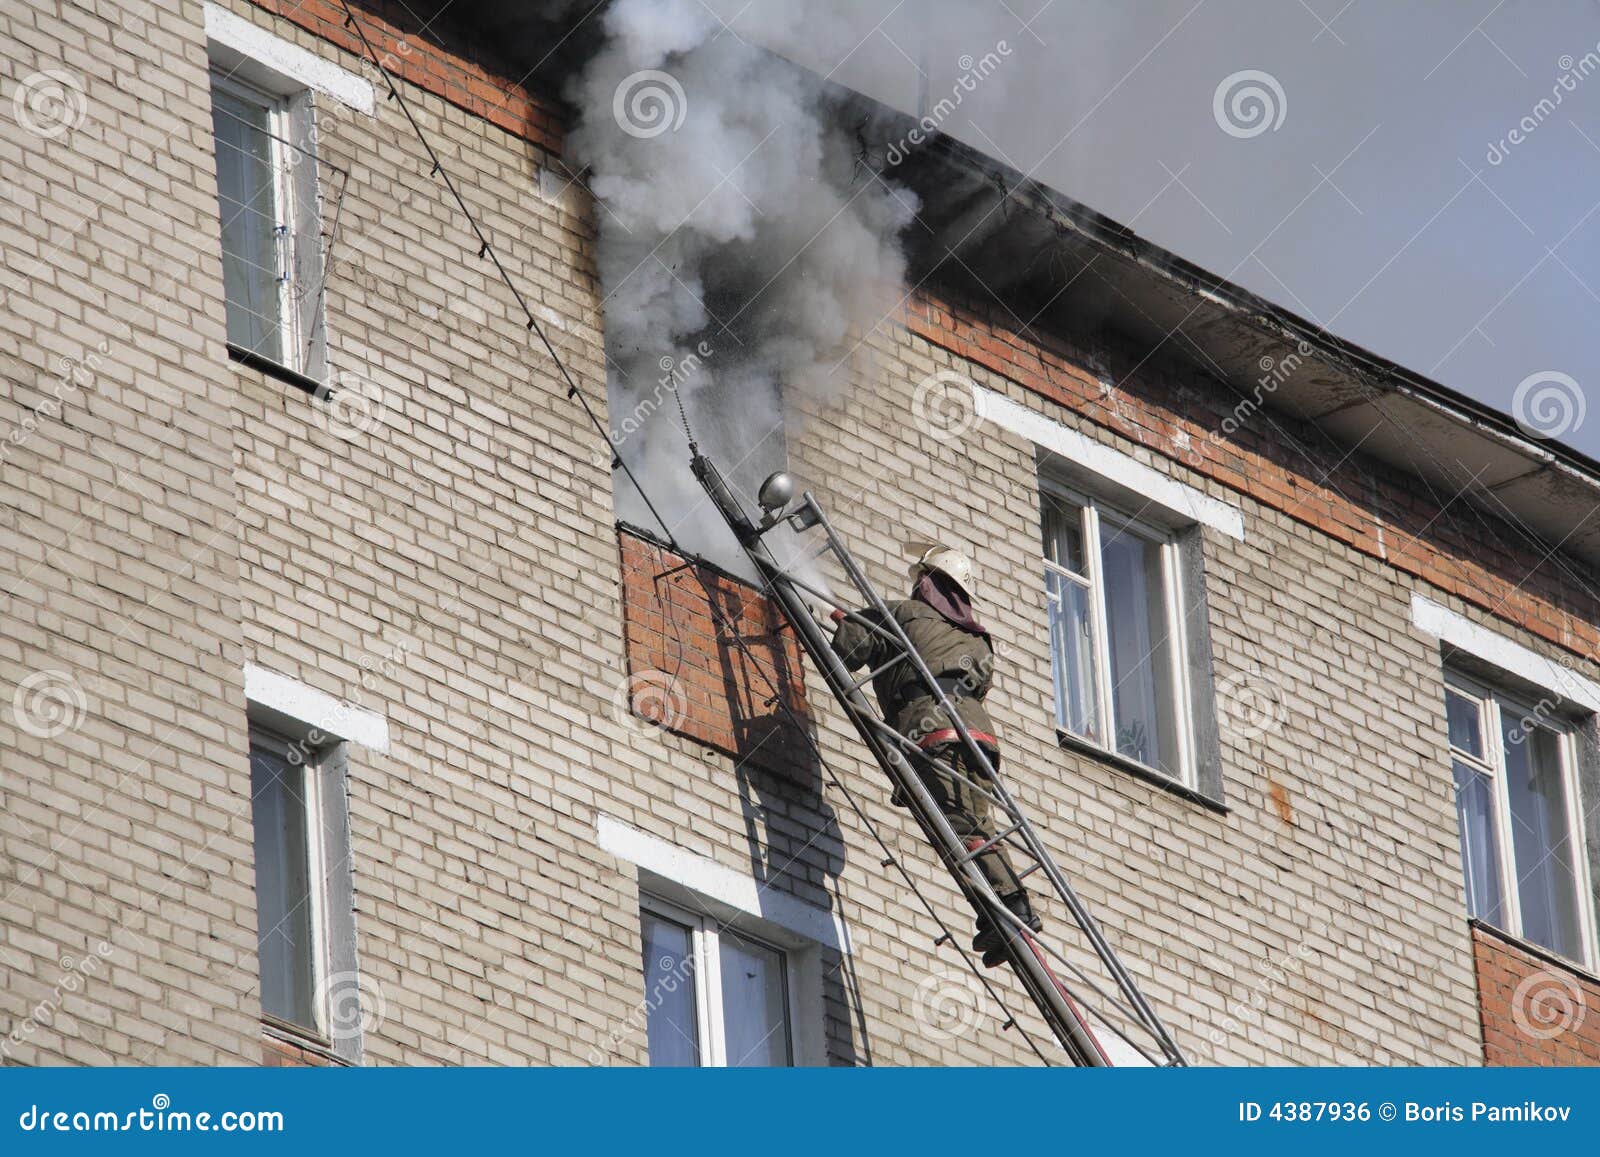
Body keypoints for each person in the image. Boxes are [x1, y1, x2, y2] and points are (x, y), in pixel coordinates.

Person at [828, 544, 1041, 966]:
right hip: (979, 738)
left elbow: (849, 652)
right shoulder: (980, 642)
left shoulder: (903, 614)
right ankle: (997, 913)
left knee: (959, 827)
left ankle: (1011, 907)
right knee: (976, 822)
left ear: (927, 583)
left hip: (934, 732)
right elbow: (972, 686)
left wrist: (846, 624)